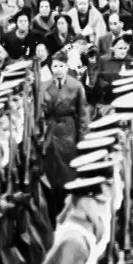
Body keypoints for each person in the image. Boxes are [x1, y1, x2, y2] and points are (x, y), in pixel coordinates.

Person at [40, 52, 89, 215]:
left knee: (69, 173)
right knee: (52, 172)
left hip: (69, 131)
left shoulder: (76, 86)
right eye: (55, 66)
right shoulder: (44, 86)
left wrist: (82, 140)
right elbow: (40, 113)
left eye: (61, 66)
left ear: (67, 67)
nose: (58, 70)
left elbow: (83, 115)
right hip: (51, 132)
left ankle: (69, 209)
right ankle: (53, 211)